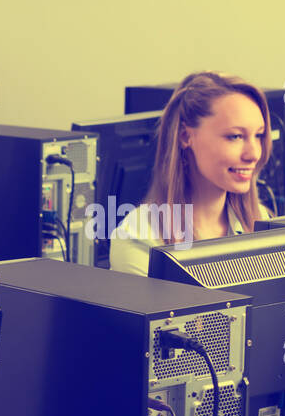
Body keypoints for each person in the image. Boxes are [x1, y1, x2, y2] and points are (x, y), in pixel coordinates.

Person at [110, 72, 274, 276]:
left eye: (258, 135)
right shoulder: (140, 236)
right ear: (186, 136)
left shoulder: (259, 219)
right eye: (235, 136)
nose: (254, 154)